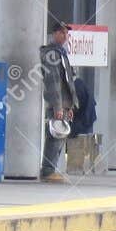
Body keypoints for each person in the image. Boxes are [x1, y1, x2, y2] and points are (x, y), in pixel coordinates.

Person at [38, 20, 78, 183]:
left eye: (66, 33)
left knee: (60, 137)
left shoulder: (61, 53)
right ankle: (48, 171)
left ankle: (51, 169)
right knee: (55, 137)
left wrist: (70, 104)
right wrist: (58, 106)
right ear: (54, 34)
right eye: (62, 32)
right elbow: (53, 81)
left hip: (64, 102)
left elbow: (68, 81)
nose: (65, 36)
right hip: (58, 103)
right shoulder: (52, 54)